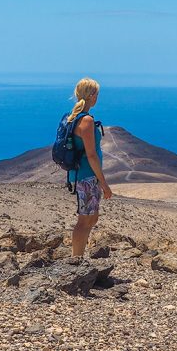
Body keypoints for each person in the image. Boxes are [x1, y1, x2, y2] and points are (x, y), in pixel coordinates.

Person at [68, 77, 113, 257]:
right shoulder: (85, 121)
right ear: (92, 95)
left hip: (84, 175)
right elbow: (91, 155)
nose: (98, 97)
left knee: (91, 218)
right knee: (84, 221)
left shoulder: (76, 117)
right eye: (97, 94)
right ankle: (76, 260)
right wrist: (104, 183)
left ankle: (78, 258)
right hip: (87, 176)